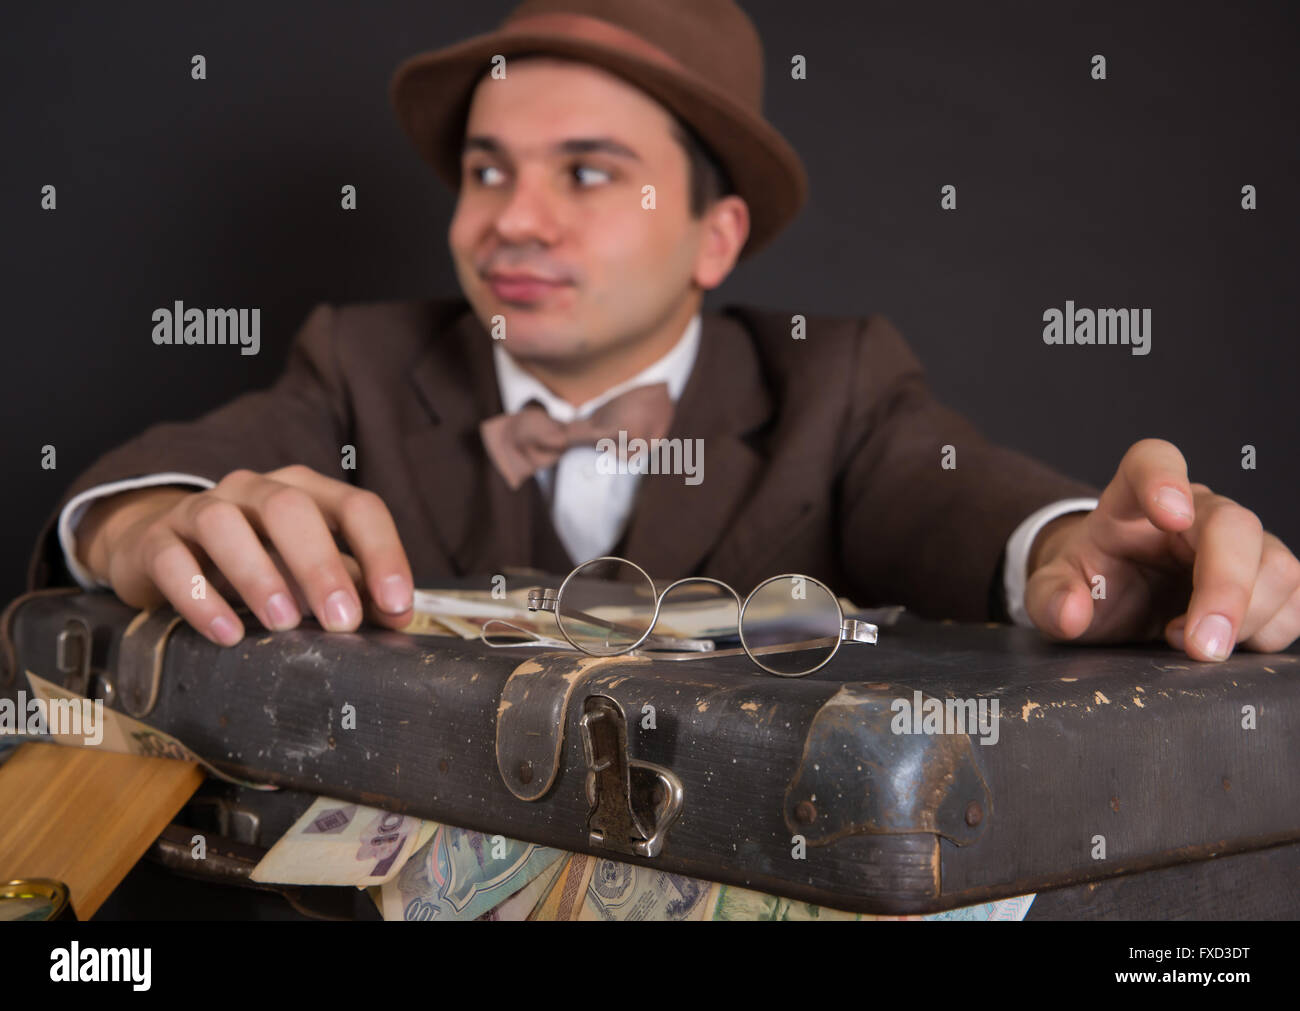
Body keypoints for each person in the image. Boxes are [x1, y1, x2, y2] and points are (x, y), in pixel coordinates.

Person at [28, 0, 1299, 665]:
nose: (509, 223)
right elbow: (164, 483)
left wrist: (1077, 554)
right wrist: (148, 526)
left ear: (715, 238)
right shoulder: (357, 361)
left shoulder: (834, 380)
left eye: (587, 174)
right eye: (484, 169)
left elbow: (950, 497)